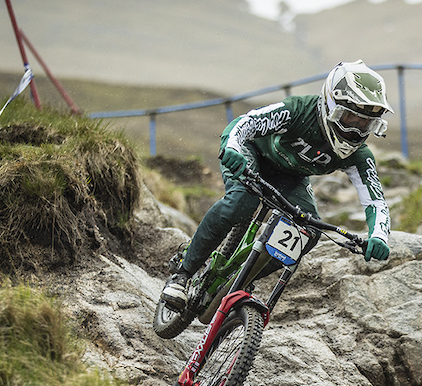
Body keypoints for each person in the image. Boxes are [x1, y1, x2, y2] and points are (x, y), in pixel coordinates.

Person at [161, 60, 393, 309]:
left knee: (308, 233)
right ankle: (182, 274)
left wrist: (379, 236)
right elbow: (245, 123)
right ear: (331, 105)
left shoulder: (359, 155)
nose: (356, 131)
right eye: (350, 118)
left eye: (365, 124)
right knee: (242, 201)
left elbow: (375, 200)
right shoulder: (298, 110)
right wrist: (232, 148)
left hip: (290, 176)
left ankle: (240, 279)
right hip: (251, 154)